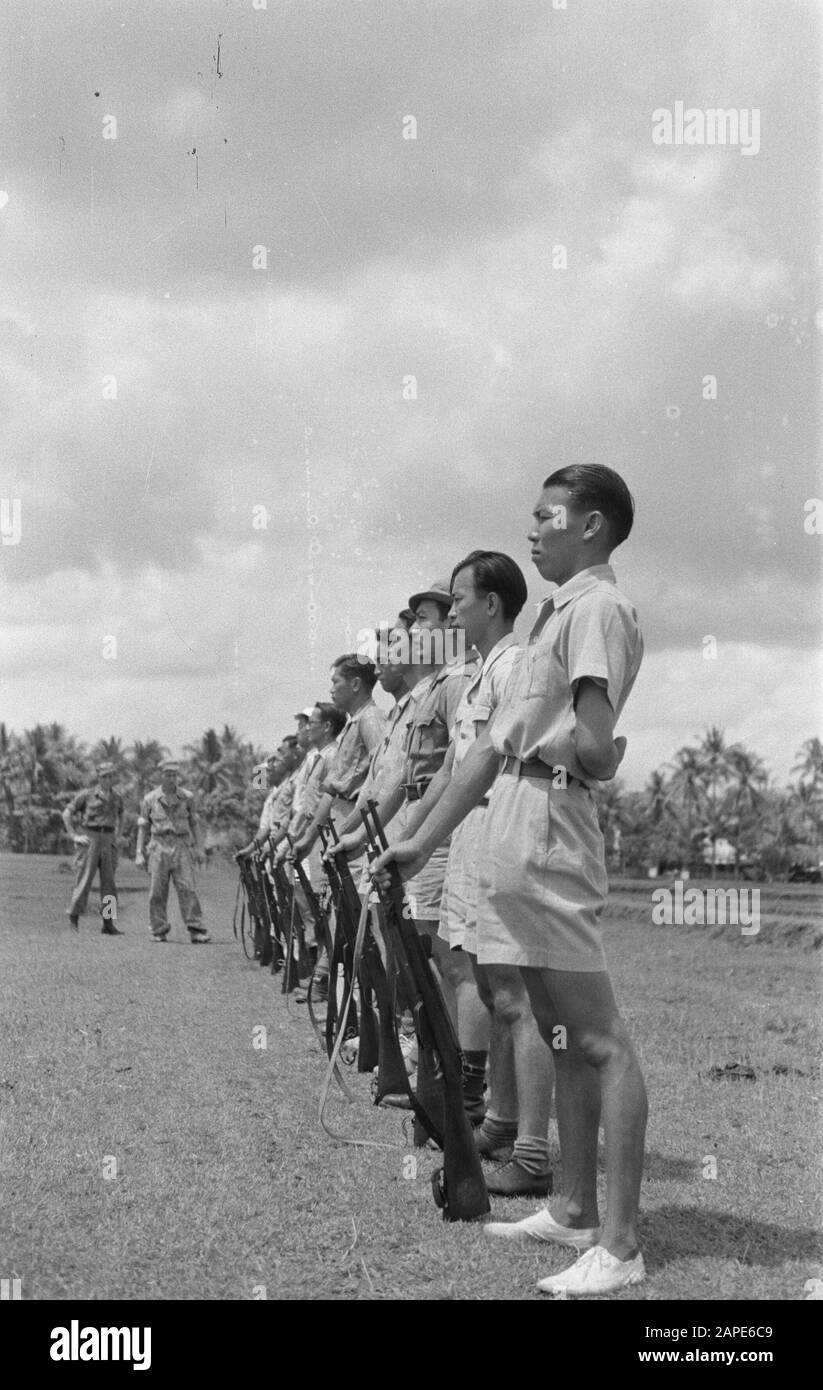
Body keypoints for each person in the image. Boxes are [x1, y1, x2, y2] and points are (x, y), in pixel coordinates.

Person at [375, 464, 646, 1296]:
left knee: (597, 1039)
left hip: (549, 821)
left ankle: (621, 1245)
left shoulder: (596, 610)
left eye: (546, 516)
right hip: (513, 820)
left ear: (591, 524)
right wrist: (419, 841)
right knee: (559, 1032)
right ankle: (569, 1206)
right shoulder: (556, 614)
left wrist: (567, 747)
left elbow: (595, 748)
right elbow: (487, 751)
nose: (532, 532)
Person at [401, 551, 556, 1192]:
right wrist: (414, 838)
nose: (454, 610)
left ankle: (532, 1155)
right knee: (491, 990)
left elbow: (490, 764)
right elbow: (452, 770)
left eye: (460, 599)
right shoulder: (478, 674)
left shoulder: (515, 666)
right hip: (469, 838)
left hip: (499, 834)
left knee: (517, 999)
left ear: (491, 604)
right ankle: (500, 1120)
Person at [135, 760, 210, 943]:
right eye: (167, 775)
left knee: (188, 888)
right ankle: (158, 929)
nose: (171, 778)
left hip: (181, 845)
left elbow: (194, 823)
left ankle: (196, 929)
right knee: (157, 891)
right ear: (160, 776)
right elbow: (143, 827)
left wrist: (200, 848)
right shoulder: (150, 799)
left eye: (174, 775)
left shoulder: (187, 797)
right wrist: (139, 852)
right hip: (158, 845)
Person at [63, 761, 124, 935]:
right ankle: (74, 921)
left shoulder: (117, 797)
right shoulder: (87, 795)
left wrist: (118, 837)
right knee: (83, 881)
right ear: (98, 777)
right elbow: (67, 813)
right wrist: (74, 835)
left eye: (111, 776)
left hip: (109, 839)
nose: (107, 779)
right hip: (90, 837)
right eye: (104, 776)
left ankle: (108, 923)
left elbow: (122, 815)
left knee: (109, 885)